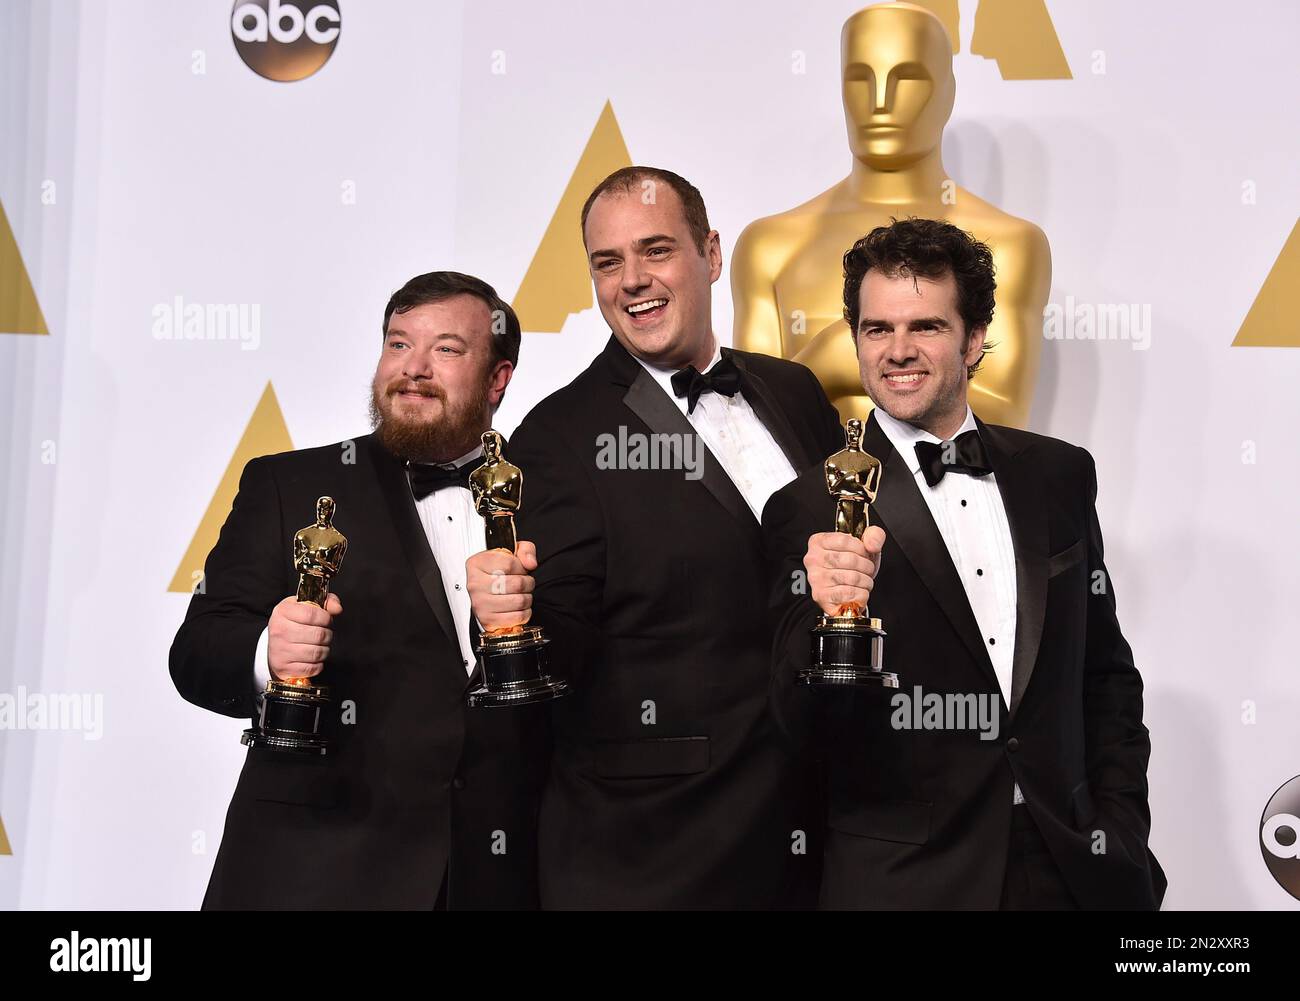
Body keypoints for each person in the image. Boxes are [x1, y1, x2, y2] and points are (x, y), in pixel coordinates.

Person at [467, 166, 844, 908]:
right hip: (653, 855)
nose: (632, 280)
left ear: (711, 253)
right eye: (607, 262)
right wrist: (516, 621)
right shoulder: (558, 434)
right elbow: (562, 639)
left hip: (817, 835)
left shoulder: (794, 392)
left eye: (656, 250)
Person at [763, 217, 1165, 909]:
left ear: (974, 339)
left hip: (1068, 870)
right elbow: (794, 725)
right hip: (909, 884)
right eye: (876, 329)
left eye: (925, 326)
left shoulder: (1060, 475)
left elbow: (1105, 674)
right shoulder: (809, 504)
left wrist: (1118, 825)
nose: (897, 351)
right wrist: (825, 626)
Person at [170, 271, 548, 909]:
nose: (414, 368)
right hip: (316, 876)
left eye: (447, 350)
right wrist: (268, 656)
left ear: (498, 379)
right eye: (399, 345)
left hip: (496, 880)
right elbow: (197, 653)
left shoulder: (549, 497)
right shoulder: (288, 484)